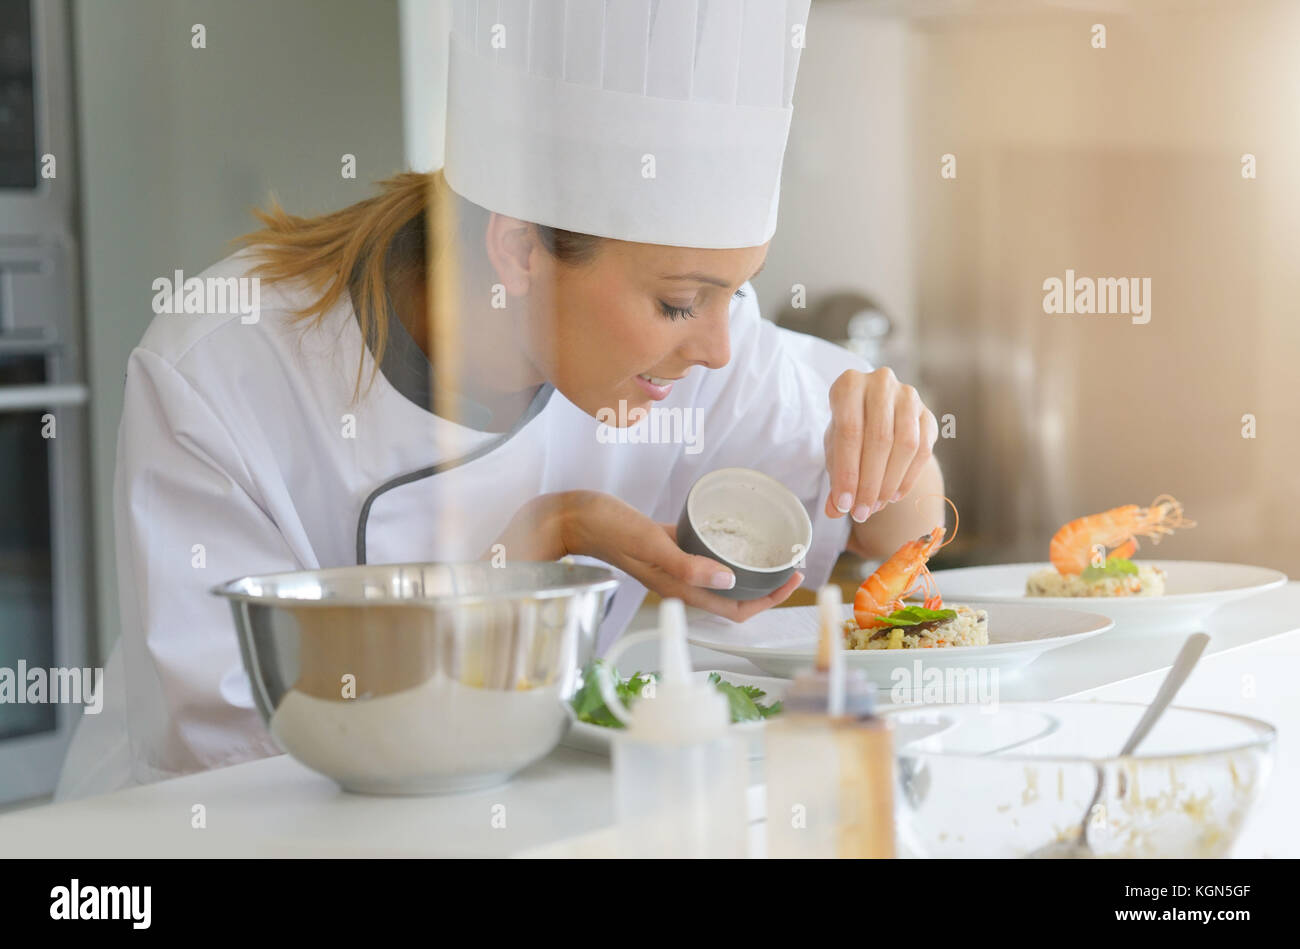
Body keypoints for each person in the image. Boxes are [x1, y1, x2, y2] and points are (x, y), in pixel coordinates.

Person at [55, 0, 942, 800]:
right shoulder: (223, 371)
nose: (717, 343)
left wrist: (893, 440)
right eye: (679, 301)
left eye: (736, 291)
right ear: (519, 251)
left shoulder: (702, 351)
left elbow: (903, 533)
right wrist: (540, 544)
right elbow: (251, 790)